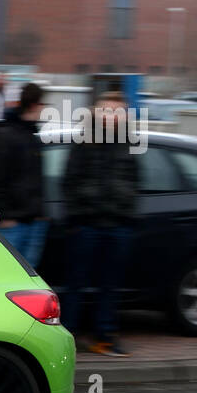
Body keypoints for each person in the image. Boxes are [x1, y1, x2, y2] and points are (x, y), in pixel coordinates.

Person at [61, 92, 140, 358]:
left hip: (118, 225)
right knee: (76, 284)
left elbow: (135, 181)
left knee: (110, 286)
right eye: (106, 111)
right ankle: (67, 338)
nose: (110, 117)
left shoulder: (129, 144)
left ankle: (104, 337)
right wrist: (76, 217)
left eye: (116, 112)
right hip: (87, 225)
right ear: (96, 113)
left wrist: (127, 214)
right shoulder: (84, 143)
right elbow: (69, 182)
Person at [0, 82, 47, 267]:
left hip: (33, 221)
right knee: (9, 276)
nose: (45, 109)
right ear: (34, 105)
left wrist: (40, 213)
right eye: (44, 104)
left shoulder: (31, 135)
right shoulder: (5, 136)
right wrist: (3, 217)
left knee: (27, 282)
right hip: (13, 224)